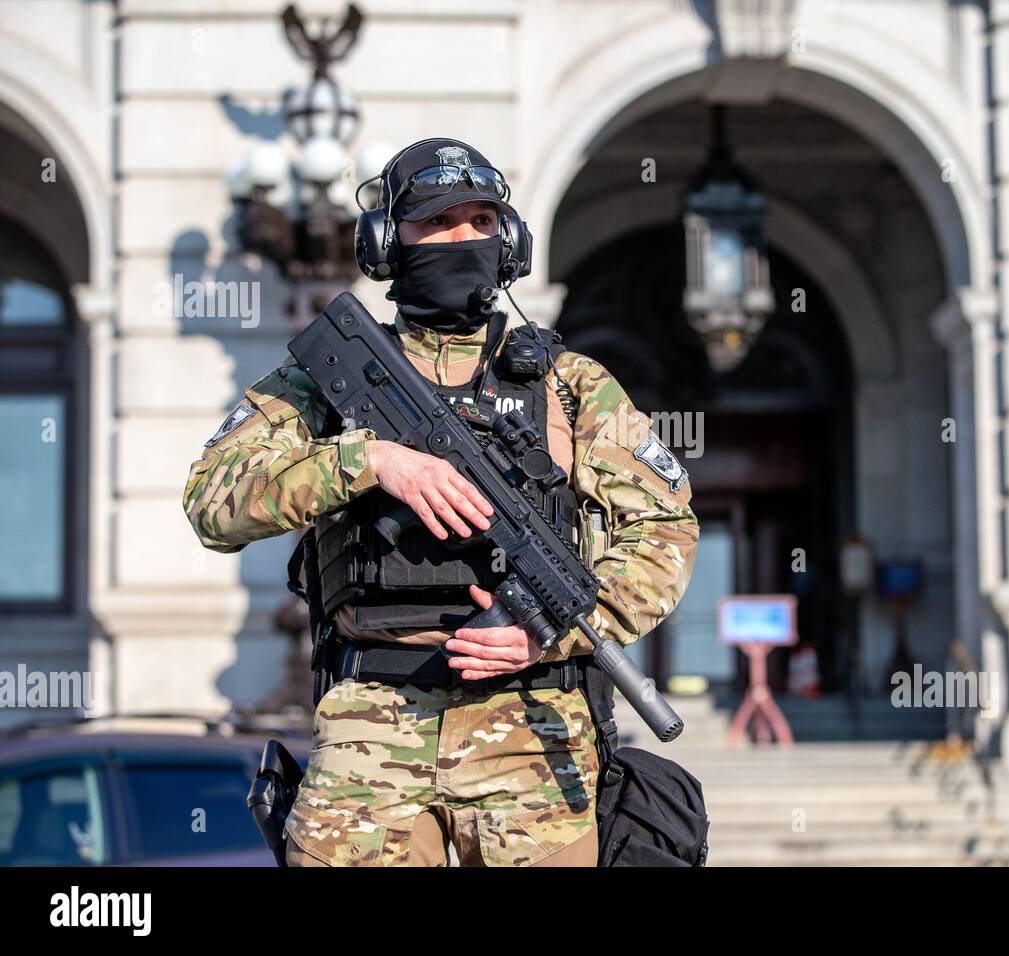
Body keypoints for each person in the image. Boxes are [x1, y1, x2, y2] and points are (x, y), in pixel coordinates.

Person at [182, 138, 699, 866]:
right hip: (371, 734)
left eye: (482, 220)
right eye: (439, 221)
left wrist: (561, 631)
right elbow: (212, 500)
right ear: (390, 242)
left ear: (509, 242)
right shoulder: (325, 381)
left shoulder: (569, 383)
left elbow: (663, 527)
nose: (464, 239)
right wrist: (368, 462)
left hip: (530, 730)